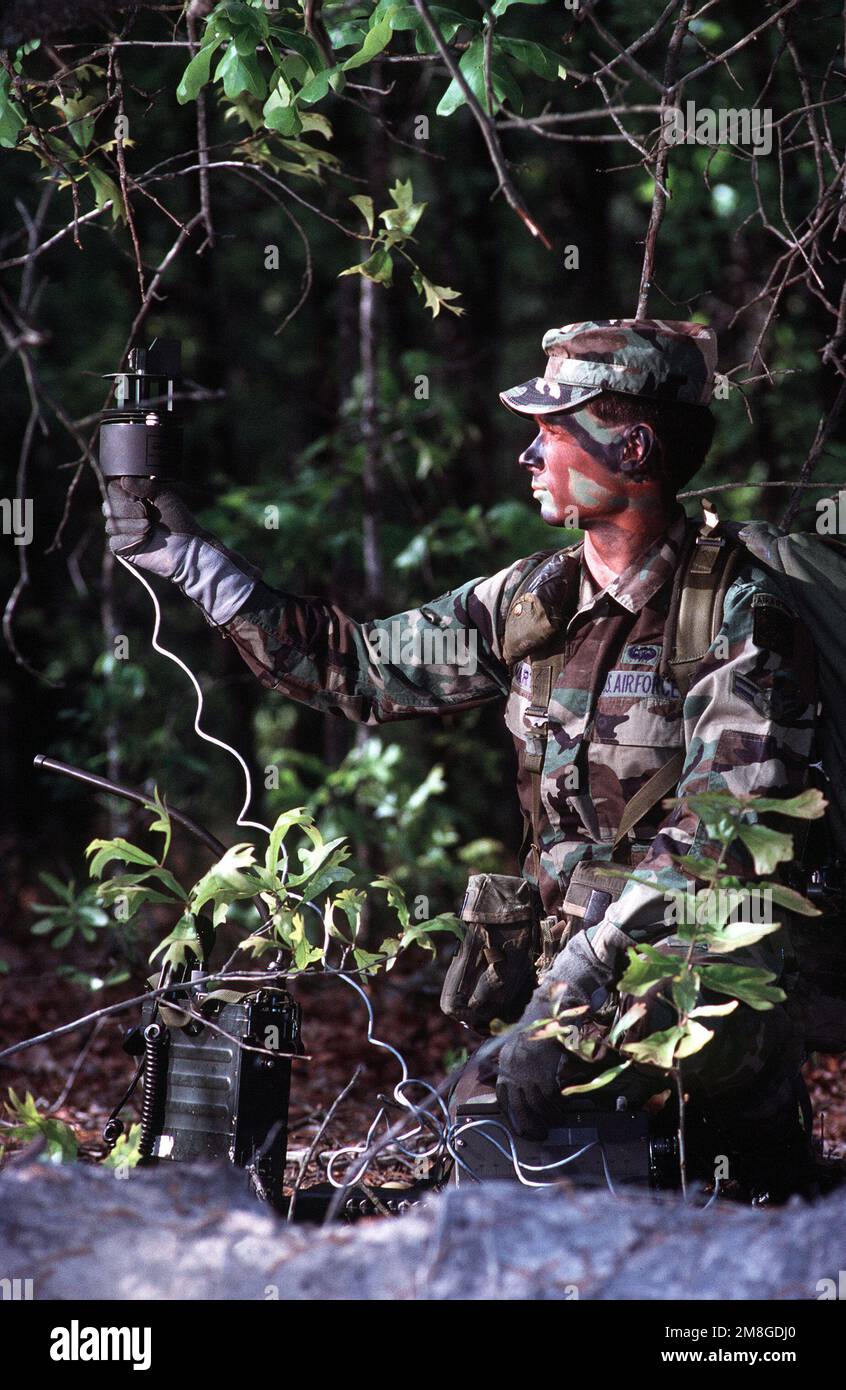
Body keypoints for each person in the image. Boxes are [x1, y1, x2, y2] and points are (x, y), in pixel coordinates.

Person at [103, 319, 818, 1198]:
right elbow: (355, 665)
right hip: (564, 1000)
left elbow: (724, 840)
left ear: (631, 447)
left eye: (551, 432)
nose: (528, 455)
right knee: (493, 1155)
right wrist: (189, 561)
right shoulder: (536, 598)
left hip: (693, 994)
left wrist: (576, 989)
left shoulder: (740, 616)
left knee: (550, 1165)